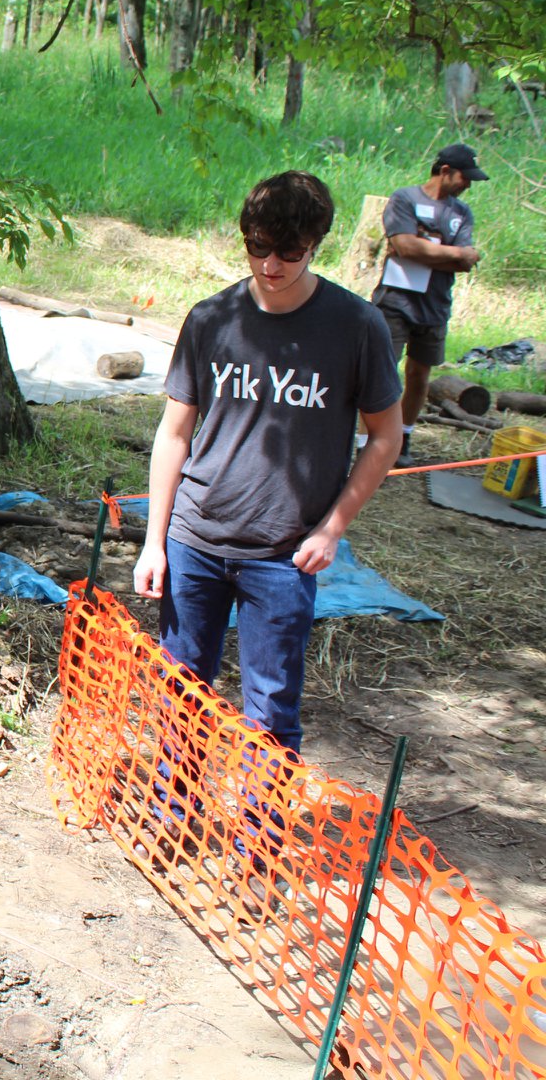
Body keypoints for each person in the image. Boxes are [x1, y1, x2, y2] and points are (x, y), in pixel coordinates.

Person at [133, 171, 403, 758]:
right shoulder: (211, 319)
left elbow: (386, 437)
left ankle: (261, 842)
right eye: (258, 247)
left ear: (316, 245)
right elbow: (175, 431)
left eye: (289, 252)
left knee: (270, 709)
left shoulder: (357, 327)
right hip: (195, 539)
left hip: (284, 552)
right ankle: (170, 819)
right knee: (178, 694)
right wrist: (154, 541)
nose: (271, 265)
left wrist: (332, 529)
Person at [369, 143, 485, 466]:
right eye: (465, 177)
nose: (468, 185)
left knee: (419, 374)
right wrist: (455, 254)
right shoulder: (404, 198)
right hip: (395, 301)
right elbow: (405, 246)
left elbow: (465, 262)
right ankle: (370, 442)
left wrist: (434, 251)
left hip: (435, 305)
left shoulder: (462, 213)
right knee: (381, 372)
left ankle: (403, 437)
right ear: (445, 170)